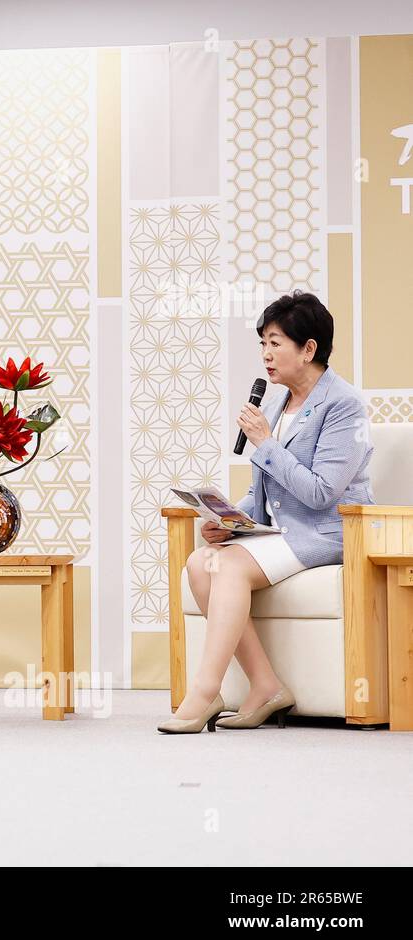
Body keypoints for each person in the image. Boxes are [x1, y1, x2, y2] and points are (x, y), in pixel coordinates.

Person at [159, 292, 374, 733]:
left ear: (308, 349)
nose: (265, 355)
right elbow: (263, 491)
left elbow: (319, 493)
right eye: (262, 344)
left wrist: (265, 442)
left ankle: (204, 692)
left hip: (329, 532)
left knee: (229, 568)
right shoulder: (277, 403)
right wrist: (227, 519)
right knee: (201, 563)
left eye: (274, 343)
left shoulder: (345, 405)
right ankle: (265, 686)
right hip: (282, 533)